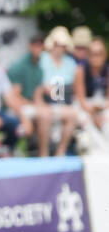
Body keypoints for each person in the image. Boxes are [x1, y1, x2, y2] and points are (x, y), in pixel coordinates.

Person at [7, 33, 72, 157]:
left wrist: (40, 104)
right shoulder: (19, 66)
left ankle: (58, 154)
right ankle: (44, 156)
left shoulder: (39, 66)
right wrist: (30, 110)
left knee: (65, 113)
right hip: (18, 108)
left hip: (33, 106)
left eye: (41, 45)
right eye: (35, 45)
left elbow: (37, 93)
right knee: (45, 114)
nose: (38, 48)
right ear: (30, 46)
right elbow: (13, 97)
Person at [40, 26, 80, 156]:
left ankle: (60, 152)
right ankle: (44, 154)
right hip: (46, 103)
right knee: (46, 115)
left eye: (63, 45)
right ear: (52, 44)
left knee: (74, 115)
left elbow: (74, 86)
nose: (60, 48)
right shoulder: (43, 59)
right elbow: (43, 86)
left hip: (65, 103)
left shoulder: (70, 62)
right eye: (58, 44)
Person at [76, 36, 109, 131]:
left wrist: (101, 110)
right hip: (85, 105)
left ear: (104, 55)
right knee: (85, 120)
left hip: (103, 105)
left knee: (106, 120)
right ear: (88, 55)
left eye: (99, 53)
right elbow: (80, 98)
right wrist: (93, 113)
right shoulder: (81, 70)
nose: (96, 57)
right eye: (93, 54)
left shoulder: (107, 71)